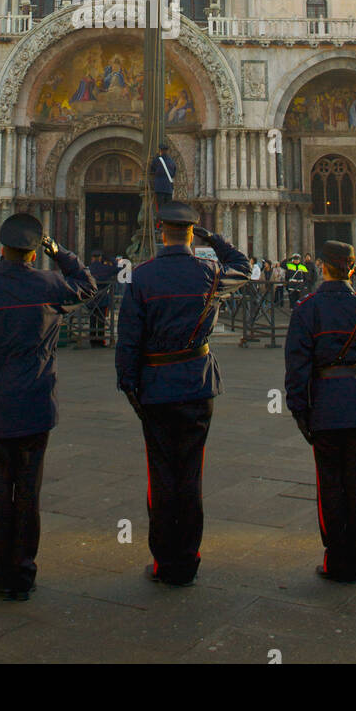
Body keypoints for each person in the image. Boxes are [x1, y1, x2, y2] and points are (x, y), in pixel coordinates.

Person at [0, 214, 98, 600]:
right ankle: (24, 574)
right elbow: (88, 287)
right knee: (29, 493)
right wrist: (60, 252)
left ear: (1, 248)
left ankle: (2, 572)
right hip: (36, 405)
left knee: (0, 491)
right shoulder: (49, 284)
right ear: (34, 252)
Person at [115, 202, 250, 587]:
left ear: (160, 231)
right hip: (196, 384)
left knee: (161, 476)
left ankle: (164, 562)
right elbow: (244, 266)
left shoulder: (142, 277)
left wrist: (130, 386)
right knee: (190, 475)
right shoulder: (210, 273)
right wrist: (215, 239)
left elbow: (128, 340)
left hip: (156, 387)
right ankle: (186, 560)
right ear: (192, 233)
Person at [285, 240, 356, 584]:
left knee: (331, 486)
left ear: (321, 266)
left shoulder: (307, 308)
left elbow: (296, 366)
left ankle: (336, 560)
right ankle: (355, 563)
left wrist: (298, 410)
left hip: (324, 403)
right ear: (352, 268)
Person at [87, 250, 117, 346]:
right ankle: (100, 341)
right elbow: (117, 269)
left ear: (92, 258)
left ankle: (92, 341)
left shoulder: (88, 269)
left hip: (91, 299)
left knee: (92, 319)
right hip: (103, 298)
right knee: (101, 320)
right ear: (100, 258)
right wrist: (111, 259)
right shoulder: (106, 268)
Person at [149, 144, 176, 215]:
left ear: (160, 151)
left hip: (160, 188)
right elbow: (173, 174)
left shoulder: (157, 160)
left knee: (160, 208)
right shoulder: (172, 162)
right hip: (169, 189)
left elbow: (152, 169)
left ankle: (161, 222)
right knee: (168, 208)